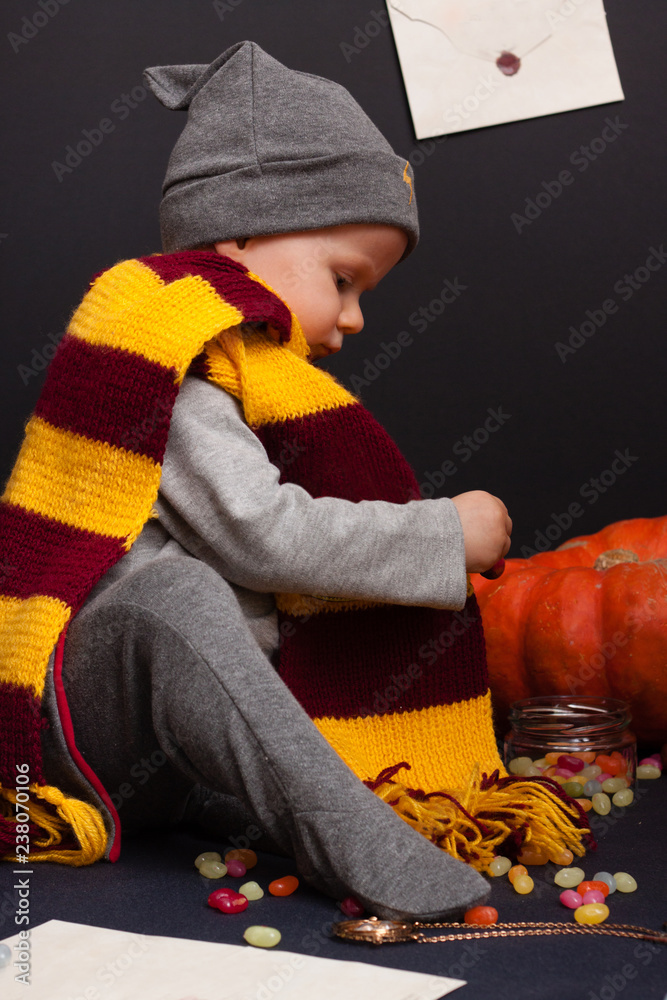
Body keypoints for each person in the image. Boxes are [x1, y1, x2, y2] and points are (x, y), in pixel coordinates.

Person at [0, 41, 589, 920]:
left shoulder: (259, 379)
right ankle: (350, 843)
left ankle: (332, 798)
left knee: (236, 635)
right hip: (87, 734)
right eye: (343, 281)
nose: (351, 320)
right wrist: (439, 535)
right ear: (238, 232)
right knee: (174, 596)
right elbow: (262, 536)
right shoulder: (174, 361)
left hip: (180, 760)